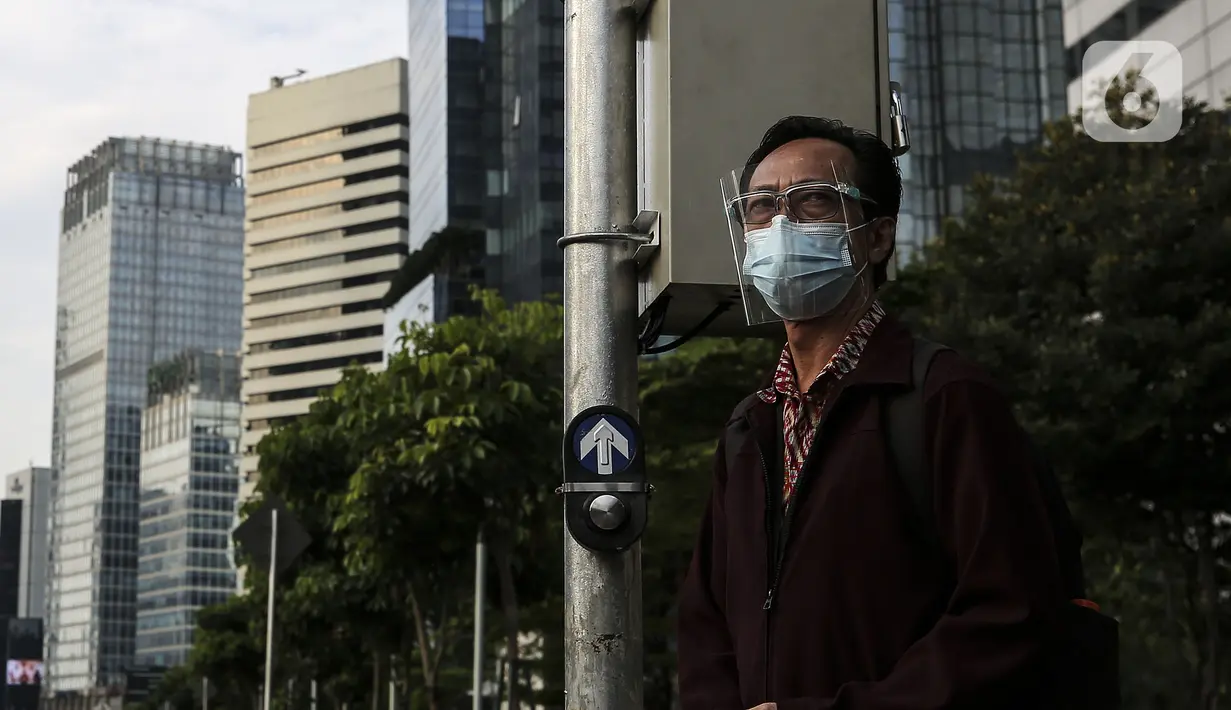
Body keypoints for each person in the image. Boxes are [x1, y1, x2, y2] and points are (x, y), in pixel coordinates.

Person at [676, 116, 1064, 710]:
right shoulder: (750, 424)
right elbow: (706, 622)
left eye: (813, 204)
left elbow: (1010, 611)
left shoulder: (942, 398)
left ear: (878, 236)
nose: (781, 227)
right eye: (760, 208)